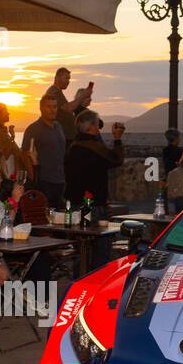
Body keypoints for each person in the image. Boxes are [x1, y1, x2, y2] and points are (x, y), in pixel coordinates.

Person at [64, 110, 123, 270]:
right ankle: (96, 284)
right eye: (97, 125)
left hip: (75, 204)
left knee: (81, 250)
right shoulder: (94, 147)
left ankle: (79, 282)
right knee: (101, 249)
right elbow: (116, 159)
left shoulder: (73, 147)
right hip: (94, 205)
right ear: (91, 127)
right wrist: (117, 139)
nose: (99, 129)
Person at [21, 95, 67, 208]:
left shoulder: (58, 126)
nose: (52, 110)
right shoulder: (33, 129)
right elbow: (24, 154)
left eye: (55, 107)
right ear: (41, 108)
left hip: (60, 181)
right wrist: (34, 178)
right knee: (42, 217)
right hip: (43, 182)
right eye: (49, 107)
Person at [0, 102, 30, 181]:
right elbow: (2, 157)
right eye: (5, 111)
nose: (8, 113)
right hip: (12, 177)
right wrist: (12, 137)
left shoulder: (2, 132)